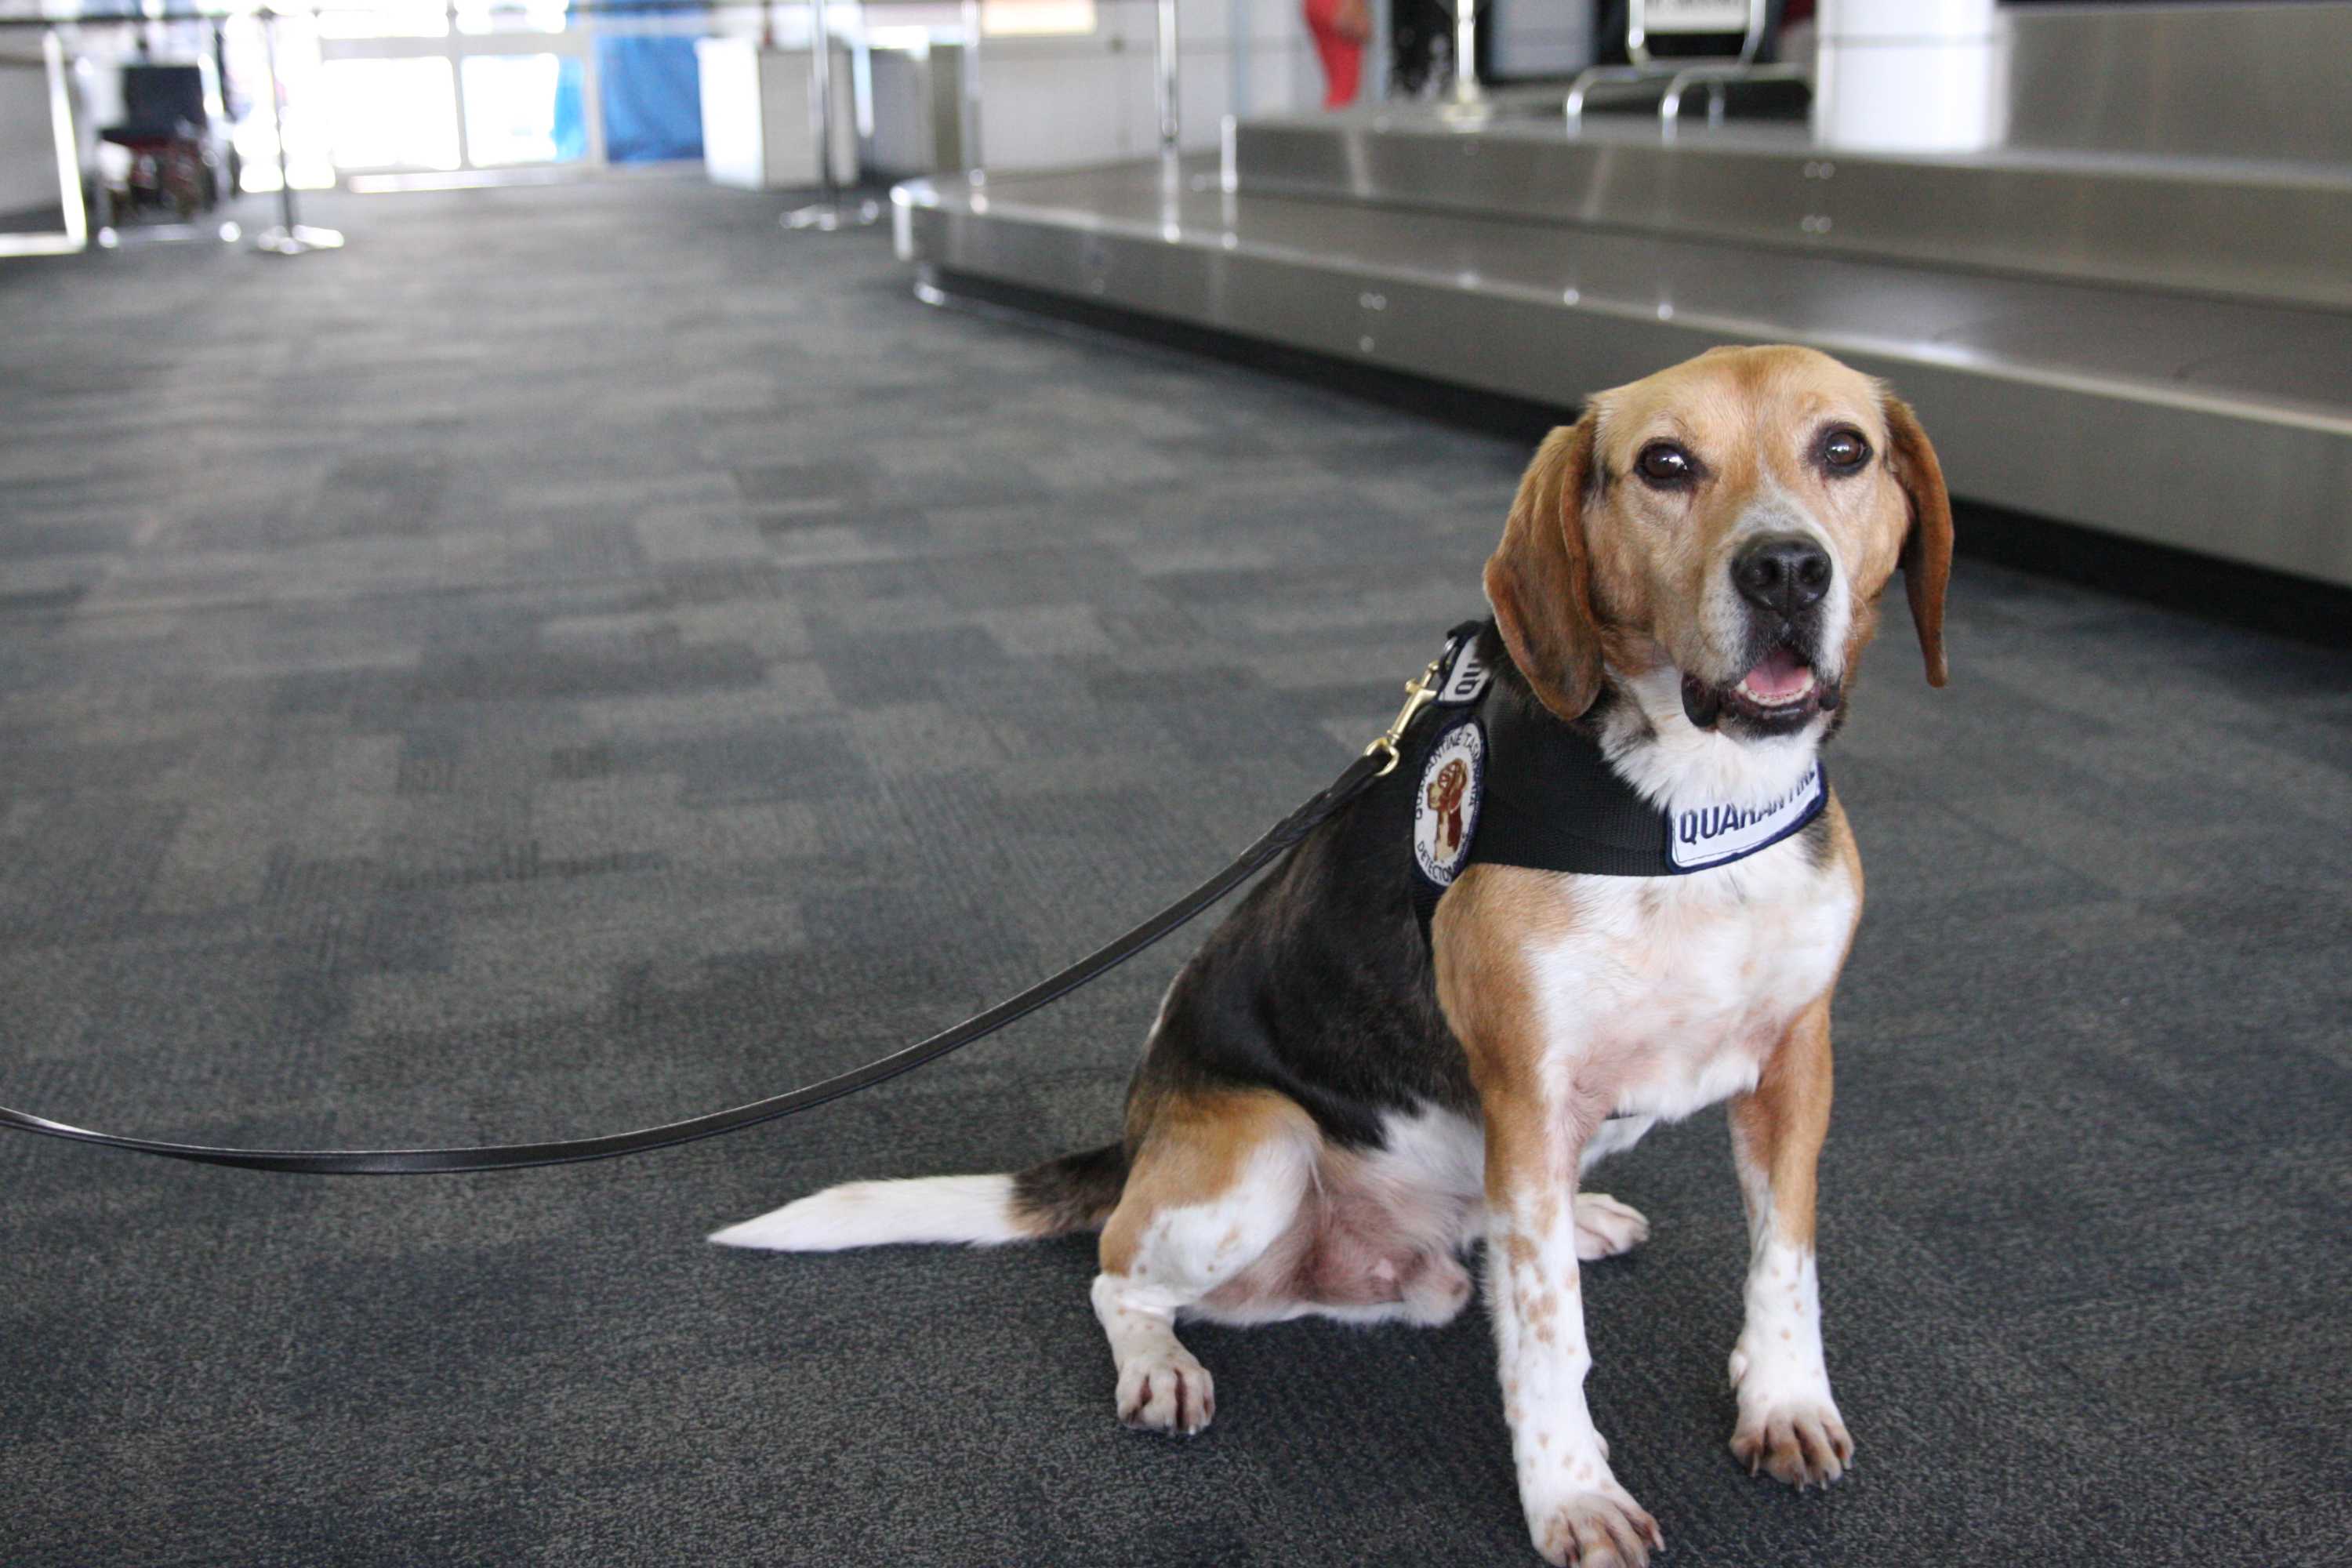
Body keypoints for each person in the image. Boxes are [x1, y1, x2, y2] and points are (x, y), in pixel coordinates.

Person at [1304, 0, 1371, 108]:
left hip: (1317, 5)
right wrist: (1353, 6)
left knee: (1338, 82)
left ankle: (1331, 114)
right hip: (1338, 6)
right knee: (1345, 86)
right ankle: (1332, 117)